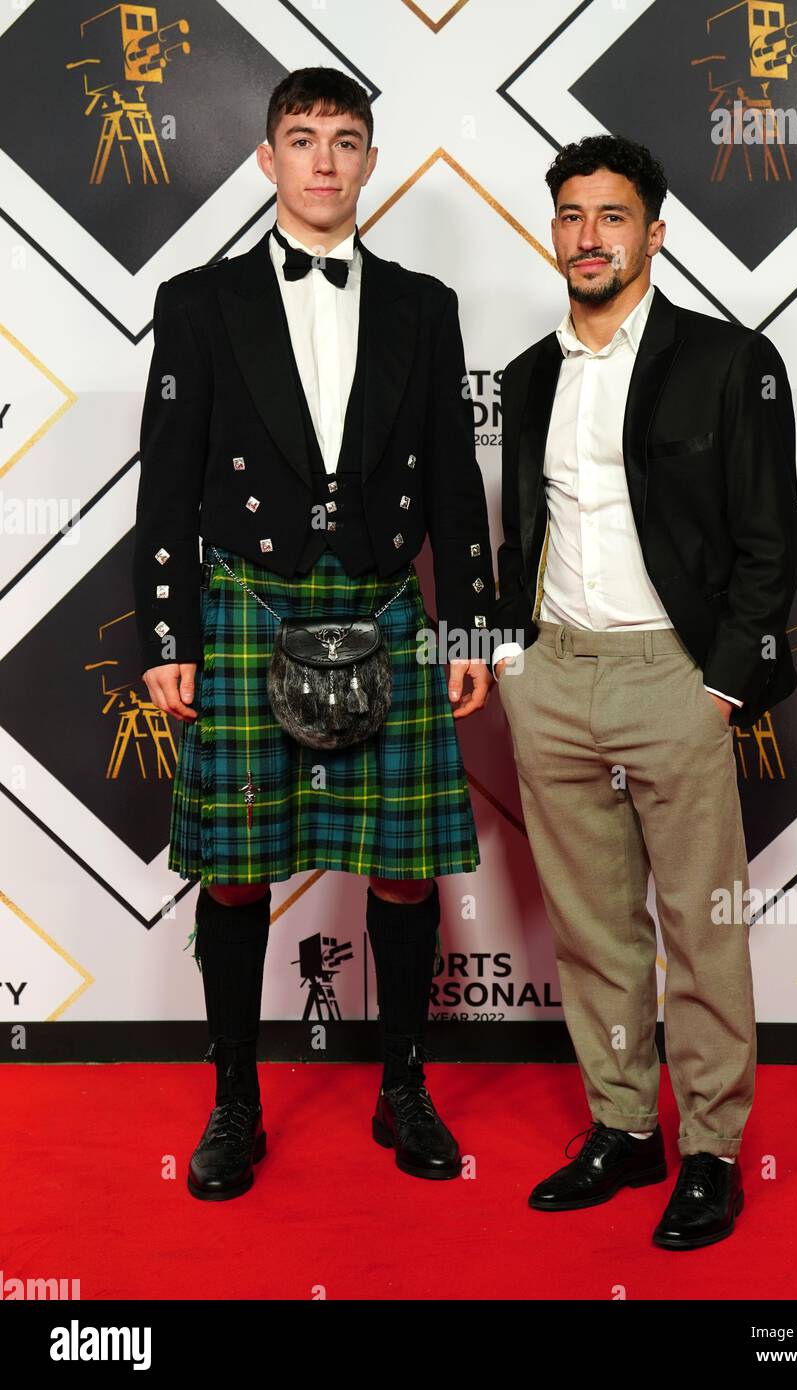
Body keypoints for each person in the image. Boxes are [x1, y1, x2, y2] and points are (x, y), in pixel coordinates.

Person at [133, 67, 495, 1200]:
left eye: (345, 139)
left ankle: (401, 1083)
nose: (324, 160)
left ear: (370, 160)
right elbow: (168, 486)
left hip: (389, 607)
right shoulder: (199, 300)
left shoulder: (422, 306)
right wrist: (165, 632)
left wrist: (470, 631)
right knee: (235, 874)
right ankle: (235, 1098)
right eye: (301, 139)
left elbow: (454, 485)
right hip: (246, 603)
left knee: (400, 865)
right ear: (266, 161)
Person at [490, 134, 797, 1249]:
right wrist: (516, 661)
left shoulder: (726, 362)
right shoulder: (527, 379)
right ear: (554, 233)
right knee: (590, 929)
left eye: (610, 216)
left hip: (675, 679)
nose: (588, 236)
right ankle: (624, 1129)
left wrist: (718, 688)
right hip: (555, 676)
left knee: (700, 927)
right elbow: (514, 533)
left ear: (652, 233)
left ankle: (710, 1148)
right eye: (571, 215)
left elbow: (769, 541)